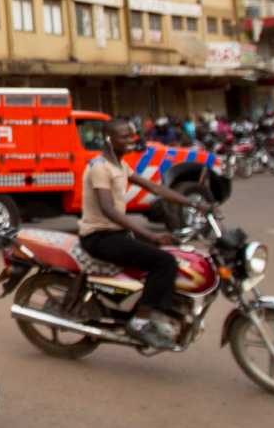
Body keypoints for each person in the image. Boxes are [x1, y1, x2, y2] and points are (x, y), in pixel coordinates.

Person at [78, 118, 212, 350]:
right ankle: (140, 321)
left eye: (131, 136)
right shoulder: (100, 168)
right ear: (109, 140)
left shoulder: (120, 165)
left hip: (116, 233)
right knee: (164, 262)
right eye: (125, 137)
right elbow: (108, 210)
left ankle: (157, 311)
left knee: (174, 254)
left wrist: (194, 203)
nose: (131, 140)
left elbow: (156, 189)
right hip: (99, 236)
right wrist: (151, 235)